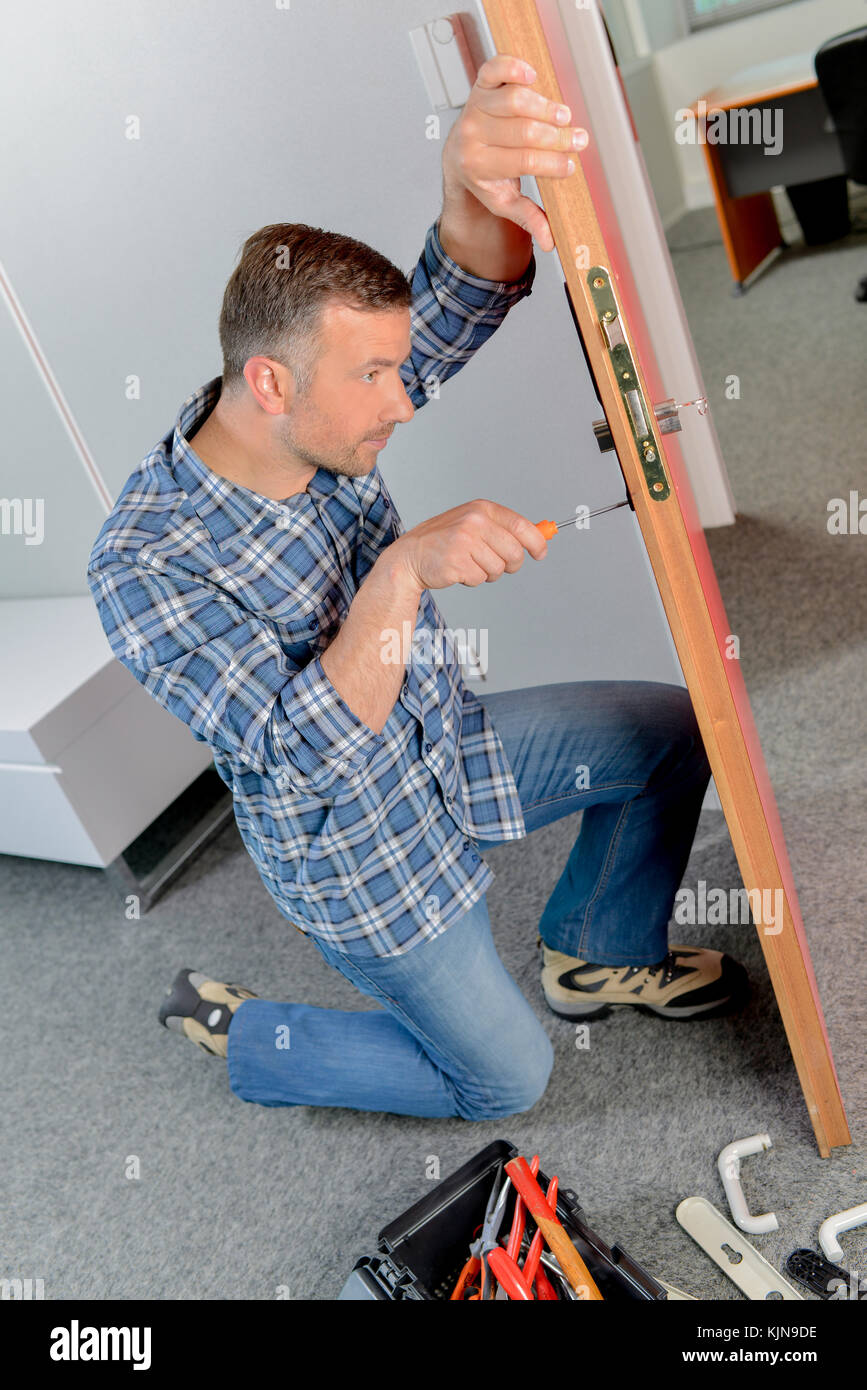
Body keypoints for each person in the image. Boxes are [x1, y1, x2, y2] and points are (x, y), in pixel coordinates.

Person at [87, 56, 748, 1121]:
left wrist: (464, 186)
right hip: (366, 860)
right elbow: (305, 750)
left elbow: (463, 294)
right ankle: (249, 1030)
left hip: (451, 750)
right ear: (271, 382)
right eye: (377, 378)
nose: (405, 400)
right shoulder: (145, 565)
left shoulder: (318, 407)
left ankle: (592, 952)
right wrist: (400, 573)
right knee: (507, 1081)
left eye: (399, 371)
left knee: (676, 729)